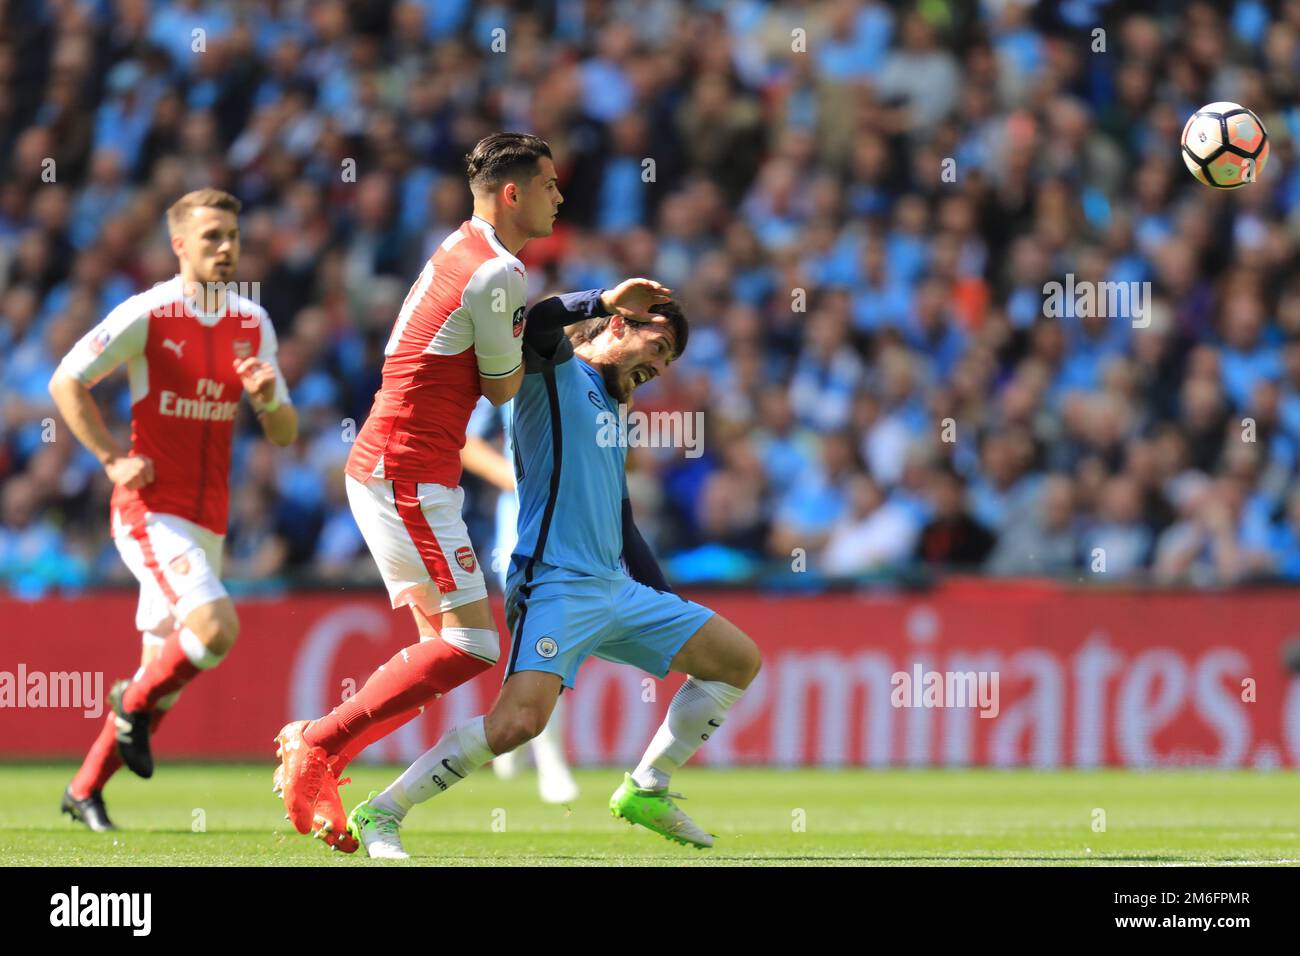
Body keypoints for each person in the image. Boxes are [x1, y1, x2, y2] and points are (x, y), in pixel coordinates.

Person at [345, 293, 762, 858]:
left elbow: (622, 518)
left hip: (614, 586)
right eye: (658, 347)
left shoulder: (616, 405)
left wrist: (668, 605)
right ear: (618, 324)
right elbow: (540, 321)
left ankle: (647, 788)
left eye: (669, 362)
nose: (660, 369)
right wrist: (600, 295)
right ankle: (381, 812)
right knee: (519, 723)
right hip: (555, 583)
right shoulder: (553, 370)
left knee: (736, 660)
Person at [50, 188, 296, 831]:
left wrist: (269, 400)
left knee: (168, 673)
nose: (225, 247)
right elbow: (66, 381)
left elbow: (284, 433)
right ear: (179, 244)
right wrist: (109, 458)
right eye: (211, 235)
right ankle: (126, 703)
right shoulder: (148, 313)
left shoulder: (252, 322)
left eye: (233, 236)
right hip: (149, 509)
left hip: (209, 518)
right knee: (215, 630)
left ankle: (83, 790)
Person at [463, 398, 579, 803]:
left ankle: (506, 727)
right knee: (545, 643)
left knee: (547, 644)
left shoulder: (598, 379)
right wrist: (518, 478)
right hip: (523, 534)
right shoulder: (511, 380)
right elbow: (468, 442)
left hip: (579, 533)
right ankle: (550, 762)